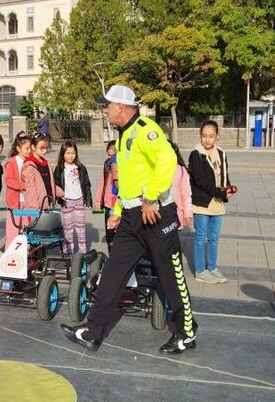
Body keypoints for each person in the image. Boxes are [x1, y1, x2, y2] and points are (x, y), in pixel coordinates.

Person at [61, 85, 197, 355]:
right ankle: (93, 331)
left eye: (107, 105)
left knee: (171, 277)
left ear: (121, 107)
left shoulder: (146, 129)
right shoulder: (123, 136)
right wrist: (120, 212)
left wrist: (150, 199)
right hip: (132, 219)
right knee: (112, 274)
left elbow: (167, 160)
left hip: (157, 215)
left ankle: (186, 334)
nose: (104, 109)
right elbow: (130, 181)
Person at [187, 120, 233, 284]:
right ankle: (200, 271)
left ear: (217, 137)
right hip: (202, 202)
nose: (207, 139)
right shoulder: (196, 154)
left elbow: (224, 175)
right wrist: (219, 193)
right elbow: (200, 181)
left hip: (217, 203)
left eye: (211, 136)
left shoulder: (221, 153)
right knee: (201, 238)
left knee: (213, 238)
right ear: (200, 136)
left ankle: (212, 268)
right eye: (204, 136)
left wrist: (228, 190)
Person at [53, 140, 92, 256]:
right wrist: (58, 198)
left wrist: (88, 198)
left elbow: (87, 184)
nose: (71, 156)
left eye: (73, 153)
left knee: (80, 228)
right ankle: (69, 252)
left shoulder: (81, 168)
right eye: (68, 153)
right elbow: (56, 184)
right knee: (68, 229)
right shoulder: (59, 168)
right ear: (63, 154)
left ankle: (83, 253)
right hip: (67, 202)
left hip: (79, 200)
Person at [3, 134, 32, 245]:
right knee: (13, 230)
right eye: (26, 148)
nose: (29, 151)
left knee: (26, 228)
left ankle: (25, 254)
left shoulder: (30, 162)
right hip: (15, 202)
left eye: (30, 147)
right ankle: (10, 255)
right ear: (18, 148)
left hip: (27, 202)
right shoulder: (11, 162)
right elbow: (9, 180)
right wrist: (24, 185)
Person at [21, 133, 61, 211]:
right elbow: (30, 189)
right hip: (36, 208)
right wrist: (35, 207)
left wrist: (61, 193)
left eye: (46, 148)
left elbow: (50, 183)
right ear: (33, 147)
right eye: (42, 148)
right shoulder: (29, 166)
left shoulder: (46, 163)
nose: (45, 151)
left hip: (48, 203)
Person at [93, 140, 119, 249]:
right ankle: (111, 253)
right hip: (109, 204)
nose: (110, 159)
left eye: (112, 156)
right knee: (110, 233)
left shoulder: (122, 165)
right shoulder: (107, 164)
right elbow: (102, 183)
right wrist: (99, 201)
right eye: (109, 156)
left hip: (119, 204)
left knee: (119, 233)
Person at [171, 142, 194, 231]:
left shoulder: (181, 170)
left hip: (176, 214)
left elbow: (186, 194)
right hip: (158, 214)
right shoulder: (153, 169)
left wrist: (188, 213)